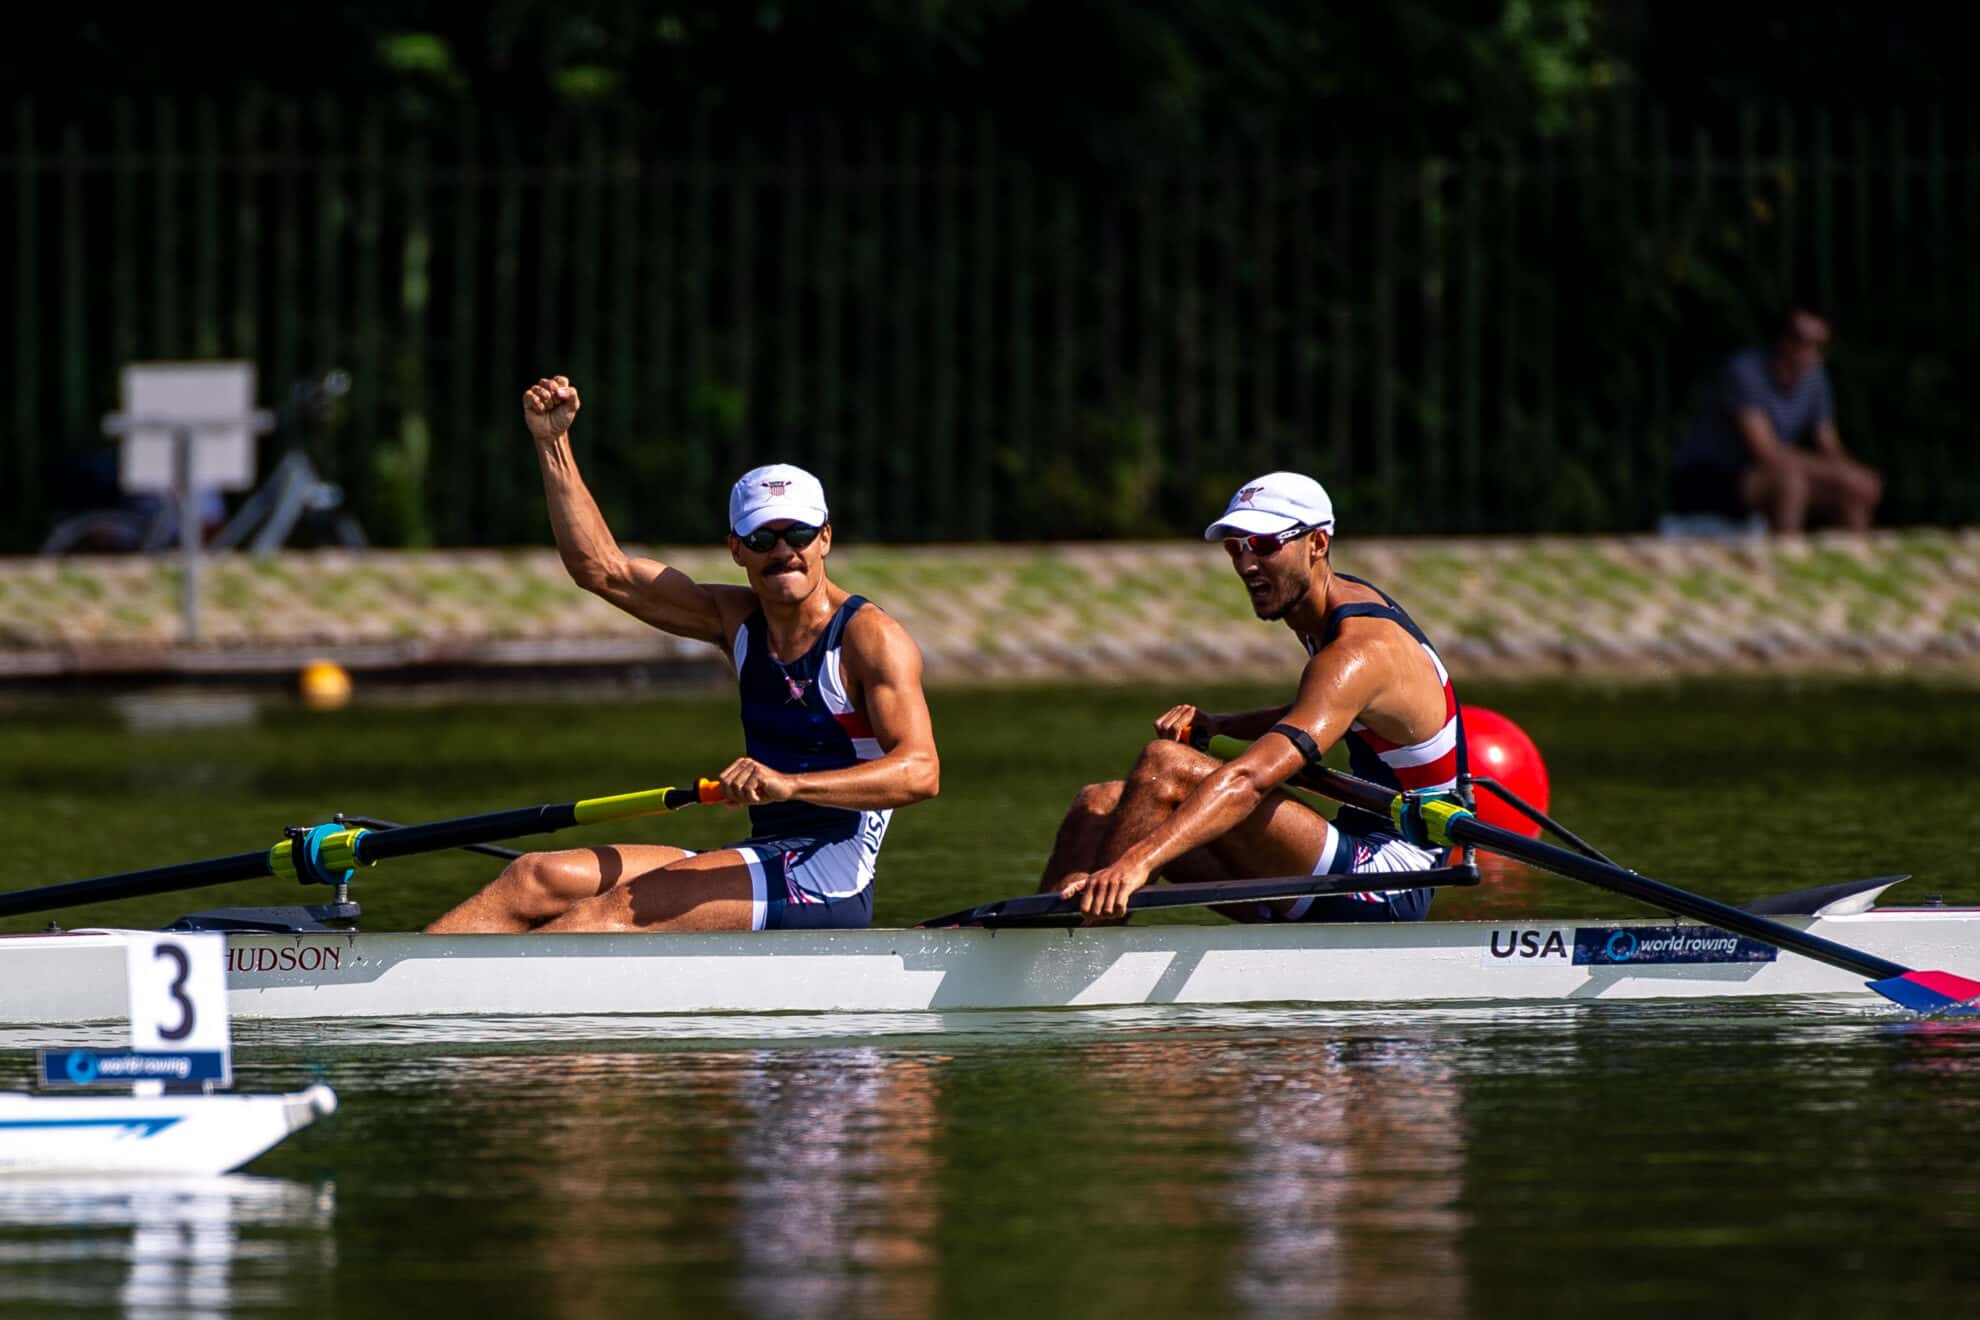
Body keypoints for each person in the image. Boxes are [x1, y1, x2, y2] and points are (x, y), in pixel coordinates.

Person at [427, 376, 939, 934]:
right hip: (764, 852)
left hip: (826, 875)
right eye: (764, 539)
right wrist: (553, 443)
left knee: (607, 917)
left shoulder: (869, 638)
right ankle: (403, 998)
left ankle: (485, 1011)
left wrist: (793, 785)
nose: (784, 552)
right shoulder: (735, 619)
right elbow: (602, 569)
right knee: (534, 877)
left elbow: (920, 772)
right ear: (737, 549)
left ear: (825, 539)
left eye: (798, 533)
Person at [1042, 471, 1467, 924]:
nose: (1247, 565)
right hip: (1352, 841)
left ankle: (1094, 928)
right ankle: (1044, 935)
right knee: (1101, 804)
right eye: (1235, 548)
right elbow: (1319, 711)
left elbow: (1251, 781)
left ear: (1317, 544)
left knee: (1165, 766)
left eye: (1264, 545)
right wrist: (1222, 727)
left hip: (1390, 881)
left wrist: (1135, 864)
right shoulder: (1333, 610)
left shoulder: (1357, 652)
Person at [1670, 305, 1883, 532]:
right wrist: (1840, 474)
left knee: (1854, 491)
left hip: (1764, 474)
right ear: (1782, 340)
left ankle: (1855, 559)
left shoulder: (1815, 379)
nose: (1808, 352)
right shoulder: (1744, 372)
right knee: (1790, 484)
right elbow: (1766, 452)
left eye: (1818, 346)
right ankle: (1786, 559)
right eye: (1800, 340)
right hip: (1710, 477)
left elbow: (1828, 444)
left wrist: (1853, 477)